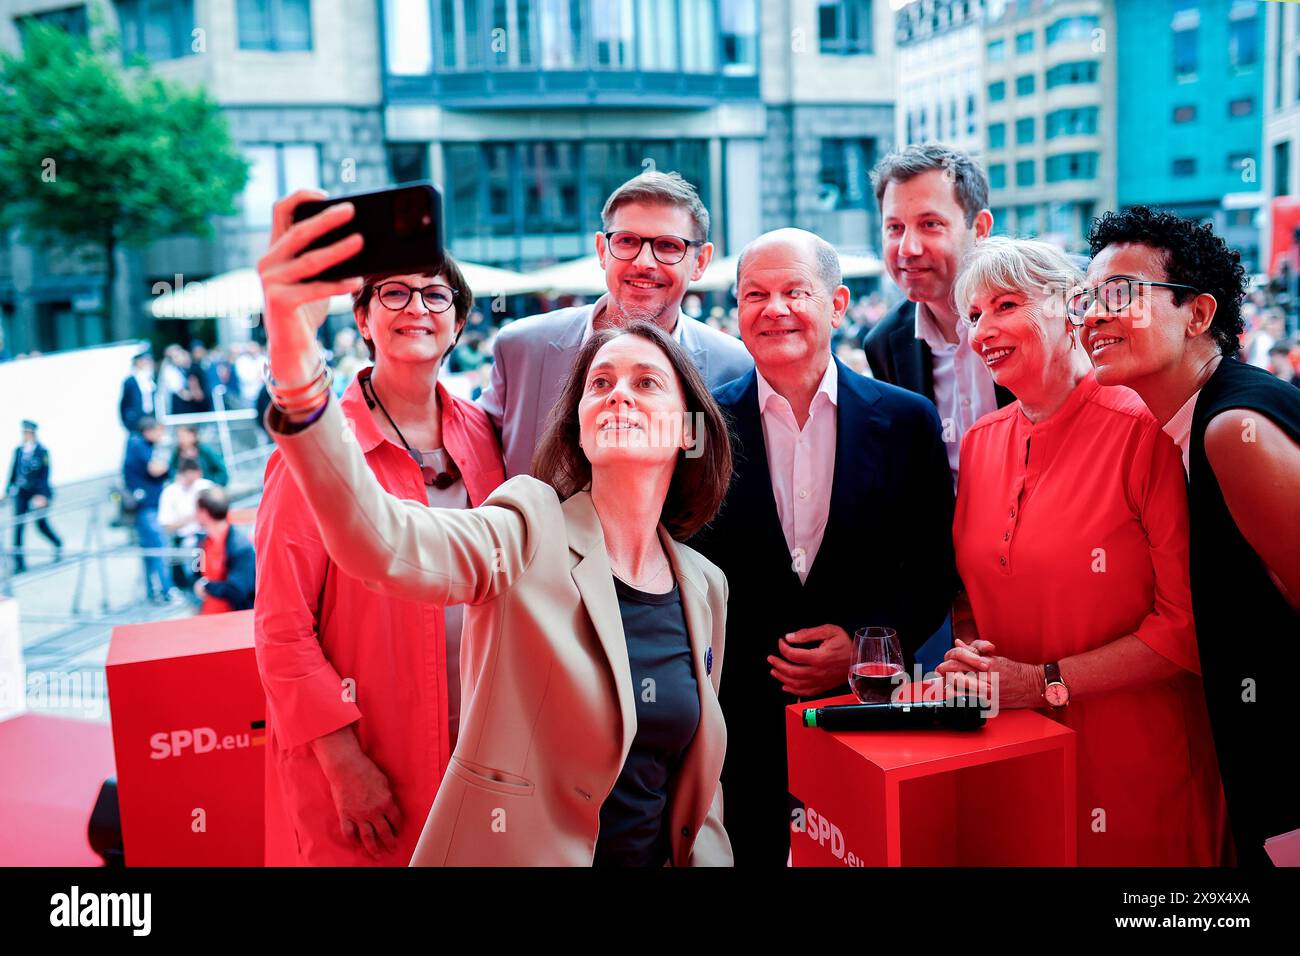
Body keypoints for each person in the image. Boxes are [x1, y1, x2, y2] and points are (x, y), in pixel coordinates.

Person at [256, 190, 735, 866]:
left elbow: (697, 785)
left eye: (647, 383)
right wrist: (293, 353)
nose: (619, 395)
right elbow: (384, 541)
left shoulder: (704, 587)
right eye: (599, 384)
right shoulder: (530, 524)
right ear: (576, 427)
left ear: (689, 431)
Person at [944, 237, 1225, 866]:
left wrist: (1041, 682)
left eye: (1005, 306)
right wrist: (972, 656)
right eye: (974, 315)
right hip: (1015, 749)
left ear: (1071, 308)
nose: (983, 330)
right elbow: (969, 594)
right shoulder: (980, 442)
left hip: (1137, 762)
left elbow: (1187, 626)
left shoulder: (1144, 428)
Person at [690, 229, 957, 866]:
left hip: (867, 707)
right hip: (738, 718)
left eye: (794, 291)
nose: (774, 309)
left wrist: (866, 644)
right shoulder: (702, 427)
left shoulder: (907, 419)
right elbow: (686, 565)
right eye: (755, 295)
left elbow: (933, 566)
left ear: (837, 305)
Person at [255, 249, 508, 867]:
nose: (416, 308)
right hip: (371, 759)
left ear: (459, 322)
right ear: (363, 318)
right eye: (393, 293)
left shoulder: (483, 434)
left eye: (435, 295)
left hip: (476, 752)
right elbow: (281, 629)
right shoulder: (318, 449)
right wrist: (343, 762)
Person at [1076, 207, 1300, 866]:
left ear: (1198, 314)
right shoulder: (1187, 424)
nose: (1093, 316)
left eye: (1120, 293)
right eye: (1086, 299)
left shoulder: (1232, 431)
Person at [479, 170, 752, 478]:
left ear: (700, 261)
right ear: (602, 250)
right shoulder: (522, 348)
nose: (644, 262)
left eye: (668, 246)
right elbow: (469, 450)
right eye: (627, 241)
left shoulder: (733, 366)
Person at [864, 144, 1015, 484]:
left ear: (980, 228)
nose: (908, 248)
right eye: (894, 228)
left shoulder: (1043, 308)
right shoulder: (883, 344)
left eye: (930, 224)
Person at [123, 417, 173, 603]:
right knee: (159, 549)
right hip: (147, 507)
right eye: (159, 431)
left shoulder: (137, 444)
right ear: (148, 431)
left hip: (147, 506)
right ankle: (166, 591)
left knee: (151, 551)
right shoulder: (139, 445)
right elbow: (156, 469)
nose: (161, 435)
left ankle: (154, 592)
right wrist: (167, 461)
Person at [6, 420, 62, 574]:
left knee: (41, 524)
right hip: (22, 492)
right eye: (24, 432)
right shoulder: (19, 451)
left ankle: (57, 543)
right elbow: (13, 472)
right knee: (18, 525)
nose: (26, 435)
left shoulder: (42, 451)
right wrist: (7, 490)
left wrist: (42, 496)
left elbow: (45, 475)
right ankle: (18, 562)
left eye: (29, 432)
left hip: (37, 492)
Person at [193, 486, 256, 614]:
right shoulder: (203, 542)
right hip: (209, 615)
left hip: (234, 619)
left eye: (196, 510)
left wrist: (206, 587)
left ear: (204, 513)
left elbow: (238, 589)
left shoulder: (241, 546)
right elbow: (195, 573)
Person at [158, 457, 213, 595]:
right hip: (188, 542)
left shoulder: (205, 486)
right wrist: (191, 518)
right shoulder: (170, 492)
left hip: (210, 537)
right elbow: (166, 526)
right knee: (195, 575)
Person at [119, 351, 157, 432]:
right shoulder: (130, 381)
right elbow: (124, 402)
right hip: (137, 417)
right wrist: (128, 418)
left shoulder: (149, 378)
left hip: (149, 415)